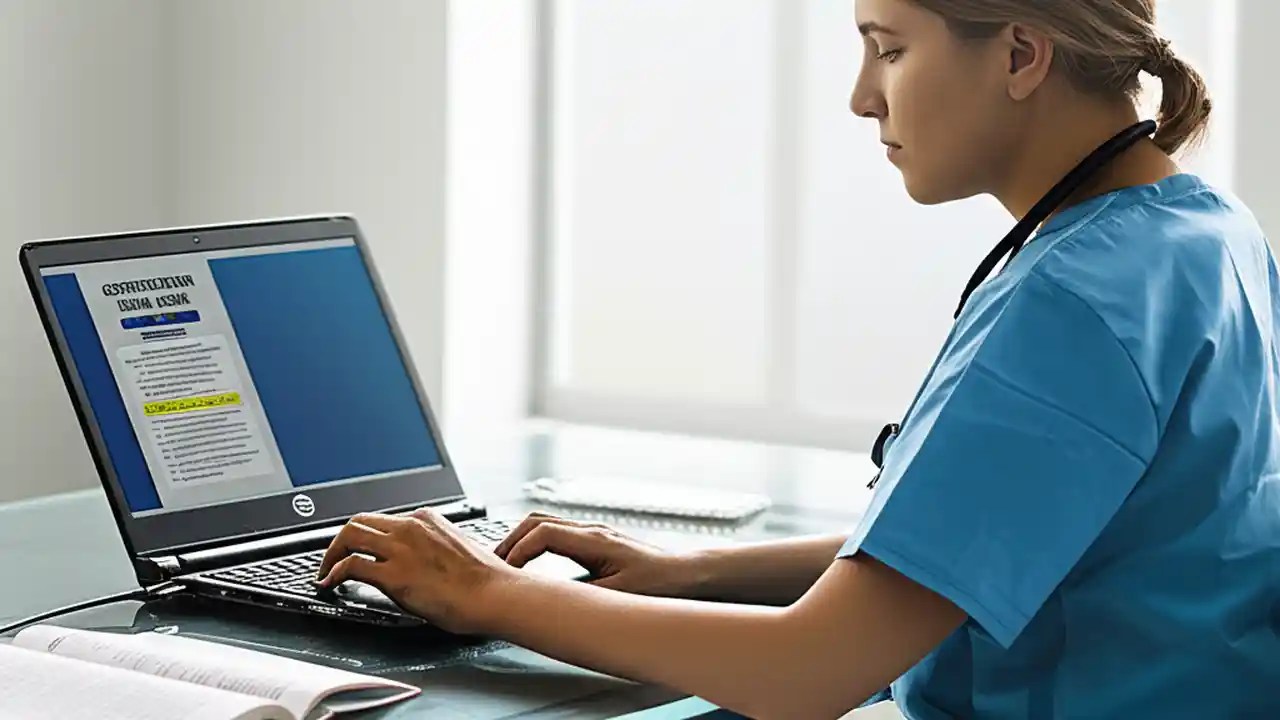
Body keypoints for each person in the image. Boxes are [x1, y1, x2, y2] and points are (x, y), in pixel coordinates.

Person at [317, 0, 1280, 717]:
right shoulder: (1204, 235)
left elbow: (812, 672)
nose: (864, 98)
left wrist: (486, 589)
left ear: (1022, 54)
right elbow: (999, 541)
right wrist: (693, 573)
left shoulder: (1071, 303)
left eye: (889, 49)